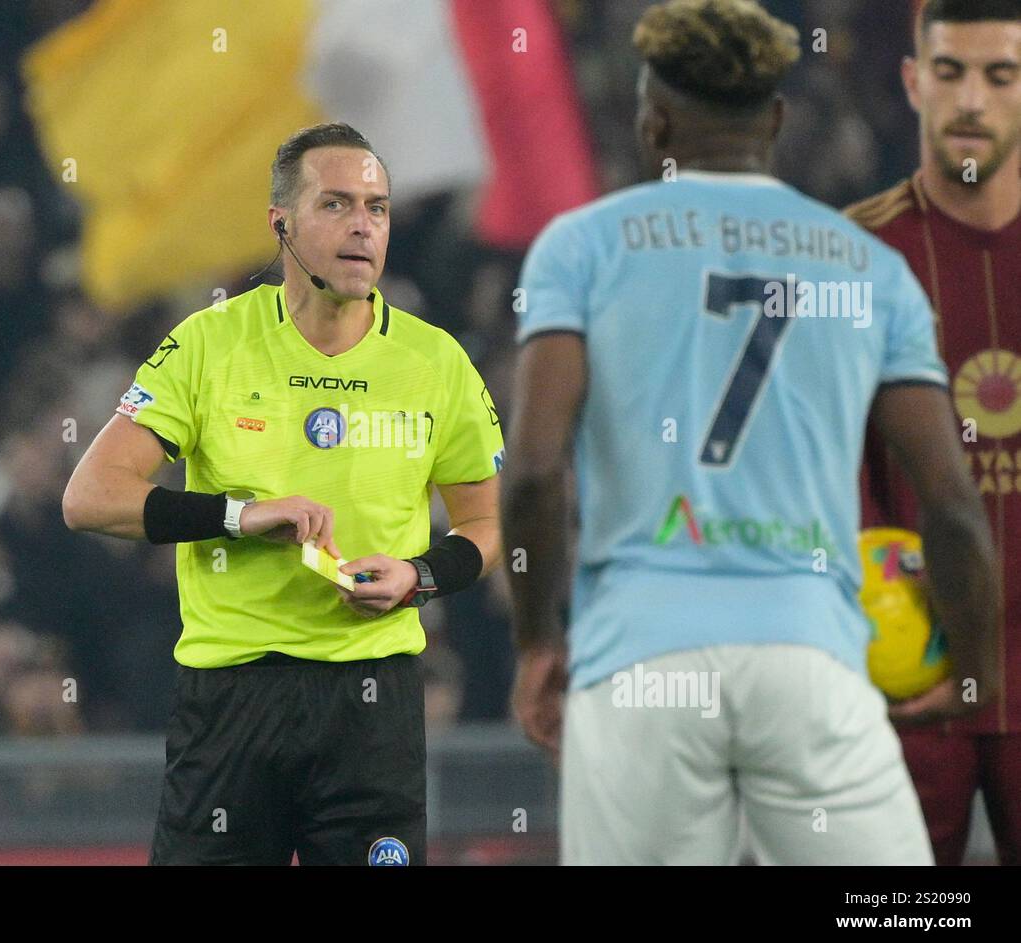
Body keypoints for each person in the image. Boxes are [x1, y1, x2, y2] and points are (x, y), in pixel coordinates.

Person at [501, 0, 999, 865]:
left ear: (651, 122)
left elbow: (537, 471)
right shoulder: (869, 267)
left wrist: (541, 641)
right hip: (811, 658)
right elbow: (953, 506)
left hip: (639, 659)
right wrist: (975, 666)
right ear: (774, 119)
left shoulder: (581, 247)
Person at [62, 123, 505, 865]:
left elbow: (488, 523)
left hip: (373, 700)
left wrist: (418, 577)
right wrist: (237, 516)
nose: (363, 225)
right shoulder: (209, 343)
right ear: (281, 224)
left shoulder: (438, 362)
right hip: (234, 693)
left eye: (378, 207)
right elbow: (90, 496)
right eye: (336, 204)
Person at [845, 0, 1021, 865]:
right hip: (904, 687)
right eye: (950, 72)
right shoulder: (849, 255)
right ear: (914, 82)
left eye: (1002, 74)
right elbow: (822, 471)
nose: (973, 101)